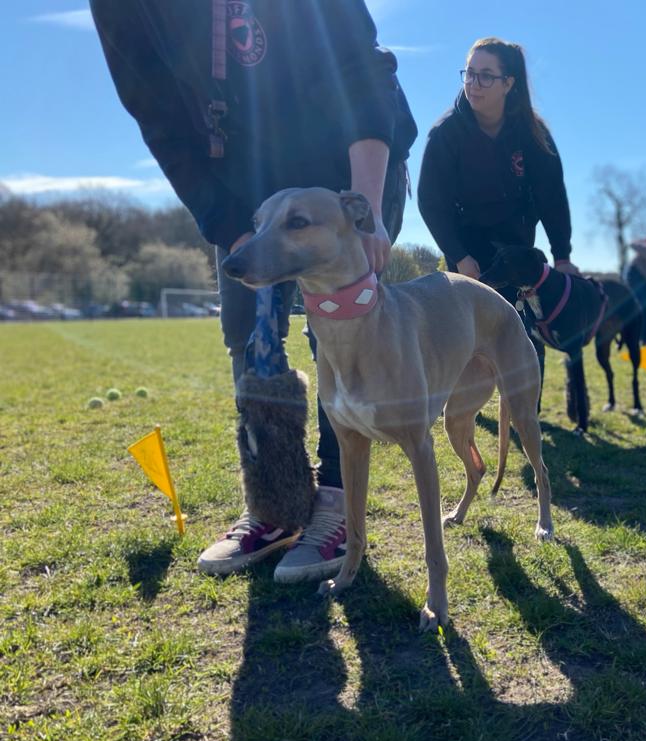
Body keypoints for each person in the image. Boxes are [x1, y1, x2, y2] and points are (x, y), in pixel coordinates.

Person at [91, 0, 417, 581]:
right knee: (249, 332)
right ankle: (275, 504)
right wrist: (231, 223)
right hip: (241, 173)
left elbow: (357, 64)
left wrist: (363, 206)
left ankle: (340, 506)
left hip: (345, 157)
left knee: (342, 328)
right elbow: (158, 113)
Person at [417, 37, 579, 388]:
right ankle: (466, 409)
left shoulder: (534, 135)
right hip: (467, 248)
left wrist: (562, 255)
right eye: (469, 74)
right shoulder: (446, 135)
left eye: (486, 76)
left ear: (509, 83)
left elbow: (552, 197)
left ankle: (526, 410)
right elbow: (431, 202)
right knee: (466, 337)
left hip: (518, 249)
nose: (474, 84)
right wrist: (460, 256)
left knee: (523, 332)